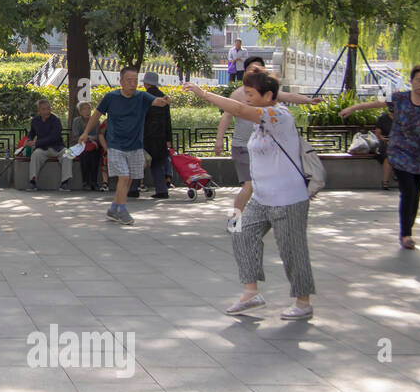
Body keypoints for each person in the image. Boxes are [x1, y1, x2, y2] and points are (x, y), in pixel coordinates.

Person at [184, 71, 316, 320]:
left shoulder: (279, 115)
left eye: (251, 94)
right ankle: (251, 292)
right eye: (245, 94)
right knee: (240, 232)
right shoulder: (259, 124)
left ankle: (303, 302)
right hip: (262, 197)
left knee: (292, 250)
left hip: (288, 198)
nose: (247, 99)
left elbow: (239, 110)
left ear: (268, 96)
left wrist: (203, 94)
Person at [214, 55, 318, 232]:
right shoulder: (238, 94)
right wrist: (219, 140)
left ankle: (265, 221)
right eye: (253, 70)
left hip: (262, 150)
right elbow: (228, 115)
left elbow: (289, 96)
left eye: (260, 70)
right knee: (249, 186)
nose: (256, 73)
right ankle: (234, 222)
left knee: (258, 187)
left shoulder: (268, 97)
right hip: (242, 146)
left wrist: (309, 100)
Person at [341, 65, 420, 249]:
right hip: (400, 153)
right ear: (411, 80)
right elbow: (377, 104)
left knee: (416, 194)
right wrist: (354, 107)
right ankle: (405, 234)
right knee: (407, 192)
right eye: (418, 80)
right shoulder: (400, 98)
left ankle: (408, 229)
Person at [75, 67, 171, 225]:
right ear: (121, 82)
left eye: (135, 81)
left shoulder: (142, 96)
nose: (133, 84)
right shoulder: (111, 97)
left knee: (128, 179)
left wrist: (166, 99)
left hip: (135, 145)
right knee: (124, 177)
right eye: (129, 80)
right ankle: (122, 210)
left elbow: (158, 102)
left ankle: (114, 208)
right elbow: (96, 115)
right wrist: (85, 133)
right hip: (116, 145)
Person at [130, 71, 172, 198]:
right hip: (160, 137)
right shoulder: (164, 98)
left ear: (147, 83)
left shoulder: (143, 96)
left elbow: (137, 117)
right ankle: (162, 190)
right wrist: (168, 139)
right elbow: (167, 120)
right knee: (157, 163)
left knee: (139, 161)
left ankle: (133, 189)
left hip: (145, 135)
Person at [24, 98, 73, 191]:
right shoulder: (35, 120)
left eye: (48, 108)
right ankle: (32, 182)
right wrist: (28, 139)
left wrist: (36, 143)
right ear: (39, 111)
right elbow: (32, 132)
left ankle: (65, 183)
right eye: (44, 109)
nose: (47, 111)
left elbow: (53, 137)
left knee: (69, 154)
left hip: (57, 147)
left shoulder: (56, 120)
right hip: (43, 149)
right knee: (35, 155)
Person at [69, 101, 105, 191]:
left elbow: (98, 135)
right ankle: (85, 182)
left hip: (94, 146)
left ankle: (94, 182)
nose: (87, 111)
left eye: (89, 108)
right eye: (84, 109)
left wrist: (90, 139)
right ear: (80, 111)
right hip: (80, 145)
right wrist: (89, 138)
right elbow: (76, 136)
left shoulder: (95, 121)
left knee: (95, 155)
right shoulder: (76, 121)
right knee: (85, 154)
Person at [375, 109, 394, 190]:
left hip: (399, 142)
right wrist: (384, 139)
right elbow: (378, 133)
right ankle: (385, 182)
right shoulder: (383, 118)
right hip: (385, 142)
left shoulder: (402, 118)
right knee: (388, 156)